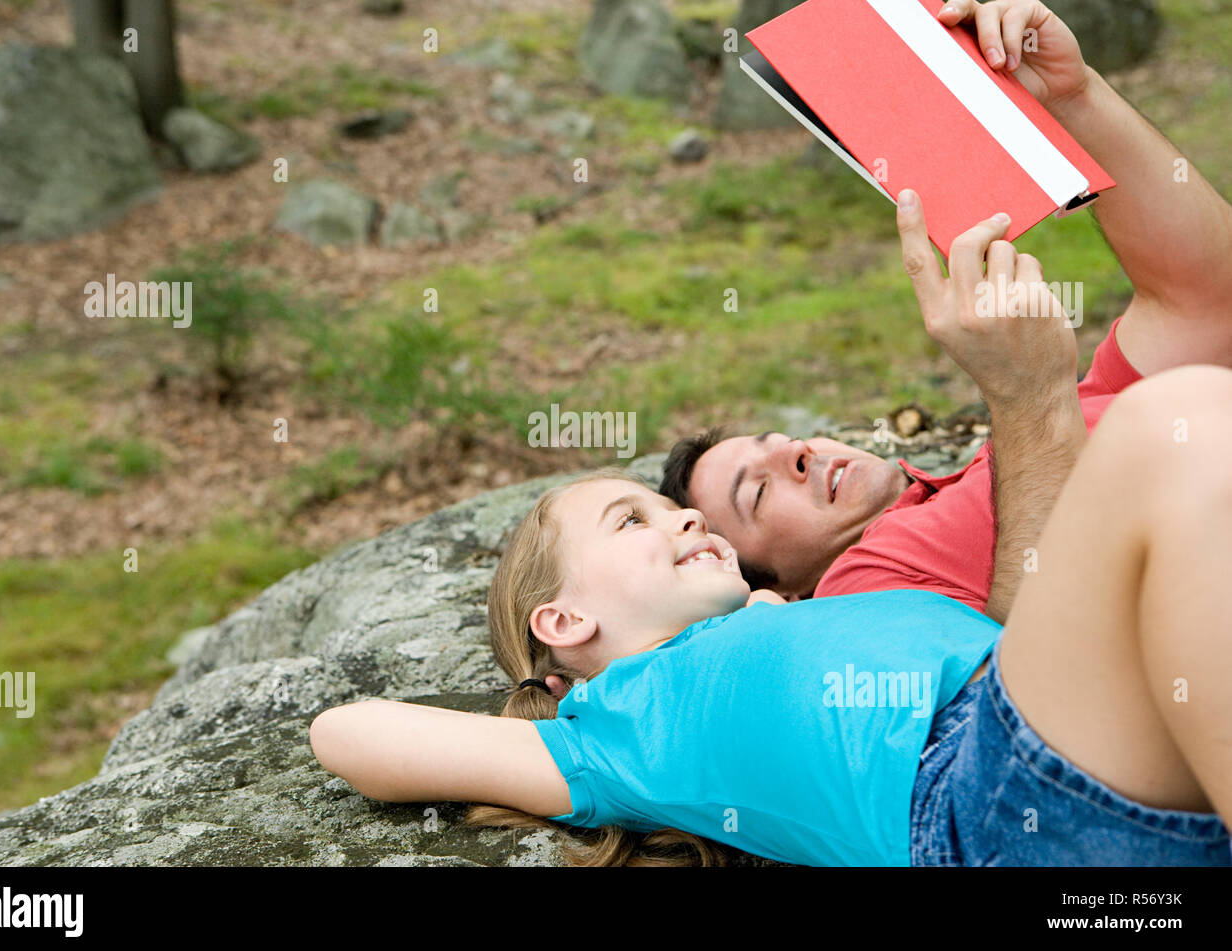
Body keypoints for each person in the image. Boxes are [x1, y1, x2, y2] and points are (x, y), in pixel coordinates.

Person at [309, 355, 1232, 865]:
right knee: (1168, 421)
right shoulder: (616, 726)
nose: (681, 520)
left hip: (1070, 753)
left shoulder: (795, 615)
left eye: (680, 511)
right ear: (564, 622)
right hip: (978, 802)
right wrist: (535, 717)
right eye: (633, 520)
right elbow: (344, 733)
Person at [659, 0, 1232, 621]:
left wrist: (1073, 99)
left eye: (786, 441)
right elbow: (1036, 683)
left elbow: (1203, 301)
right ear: (780, 591)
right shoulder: (863, 589)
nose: (798, 454)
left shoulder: (1021, 452)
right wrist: (1028, 398)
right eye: (760, 492)